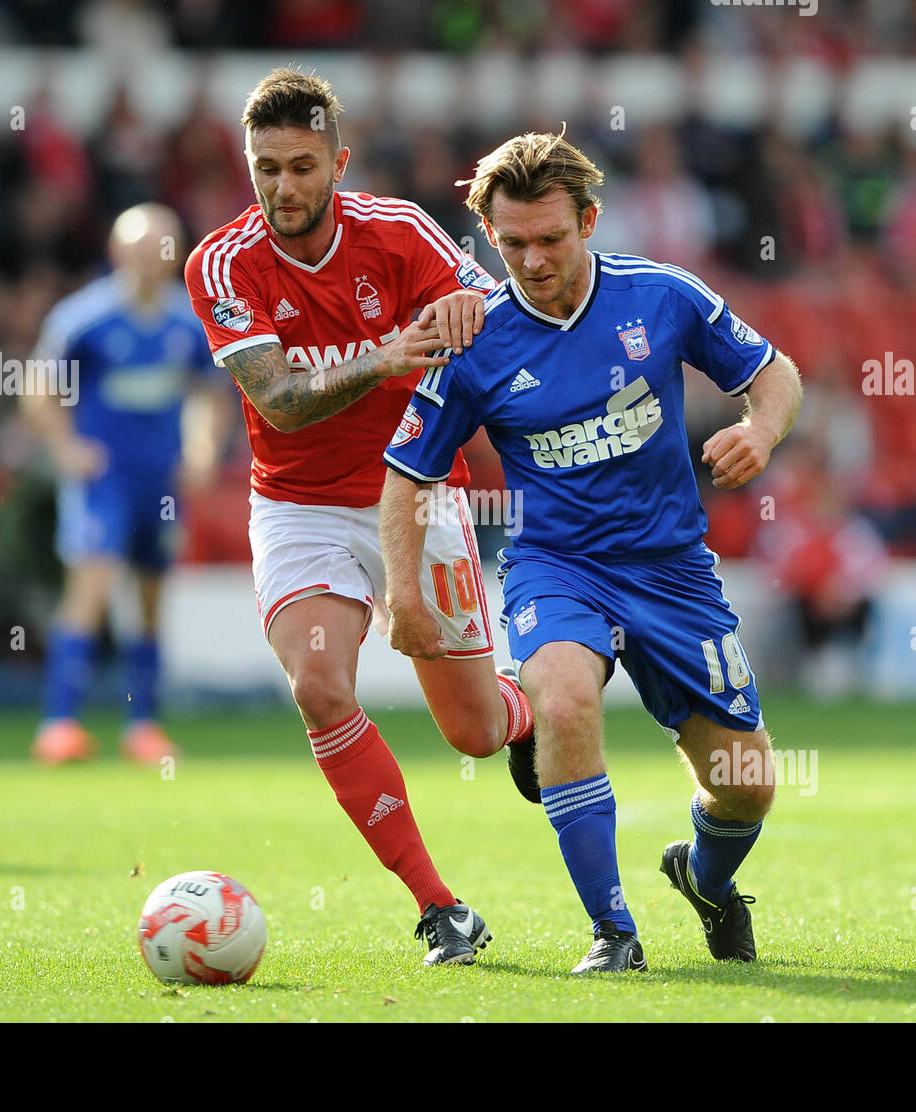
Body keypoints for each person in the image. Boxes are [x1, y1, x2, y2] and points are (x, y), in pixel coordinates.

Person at [380, 131, 803, 973]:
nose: (532, 261)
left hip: (672, 569)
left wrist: (761, 428)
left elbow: (774, 371)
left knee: (747, 785)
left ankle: (706, 881)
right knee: (565, 701)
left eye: (550, 239)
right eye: (512, 245)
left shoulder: (661, 297)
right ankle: (613, 934)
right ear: (489, 239)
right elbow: (405, 478)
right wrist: (404, 594)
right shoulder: (476, 342)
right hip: (557, 565)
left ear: (589, 220)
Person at [182, 68, 537, 966]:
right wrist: (383, 358)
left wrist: (471, 299)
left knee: (476, 734)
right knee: (318, 686)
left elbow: (490, 304)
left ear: (338, 162)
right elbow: (282, 401)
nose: (283, 187)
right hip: (298, 505)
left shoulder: (401, 231)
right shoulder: (221, 264)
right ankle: (439, 907)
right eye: (266, 167)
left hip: (417, 494)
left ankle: (525, 715)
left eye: (302, 166)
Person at [27, 203, 229, 766]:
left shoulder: (187, 323)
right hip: (105, 480)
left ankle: (142, 725)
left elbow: (210, 396)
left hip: (160, 481)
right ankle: (60, 723)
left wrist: (203, 450)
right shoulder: (84, 319)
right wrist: (67, 448)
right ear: (118, 252)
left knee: (149, 600)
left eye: (163, 249)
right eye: (142, 249)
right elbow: (38, 389)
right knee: (90, 589)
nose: (152, 260)